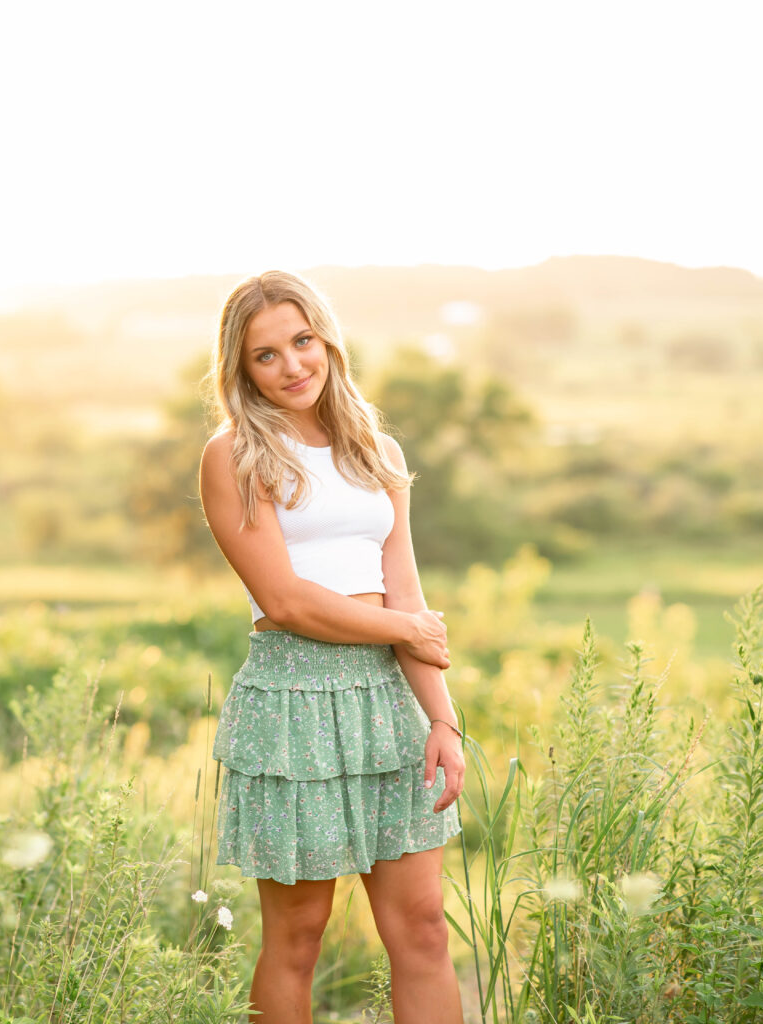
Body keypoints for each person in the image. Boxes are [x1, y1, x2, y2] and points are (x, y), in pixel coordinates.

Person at [198, 270, 466, 1024]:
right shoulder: (235, 455)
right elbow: (283, 600)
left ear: (327, 340)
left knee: (420, 929)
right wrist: (403, 629)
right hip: (293, 701)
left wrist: (441, 722)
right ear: (240, 369)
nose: (293, 367)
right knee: (299, 936)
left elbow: (405, 591)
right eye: (266, 356)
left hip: (388, 701)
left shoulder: (374, 449)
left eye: (302, 342)